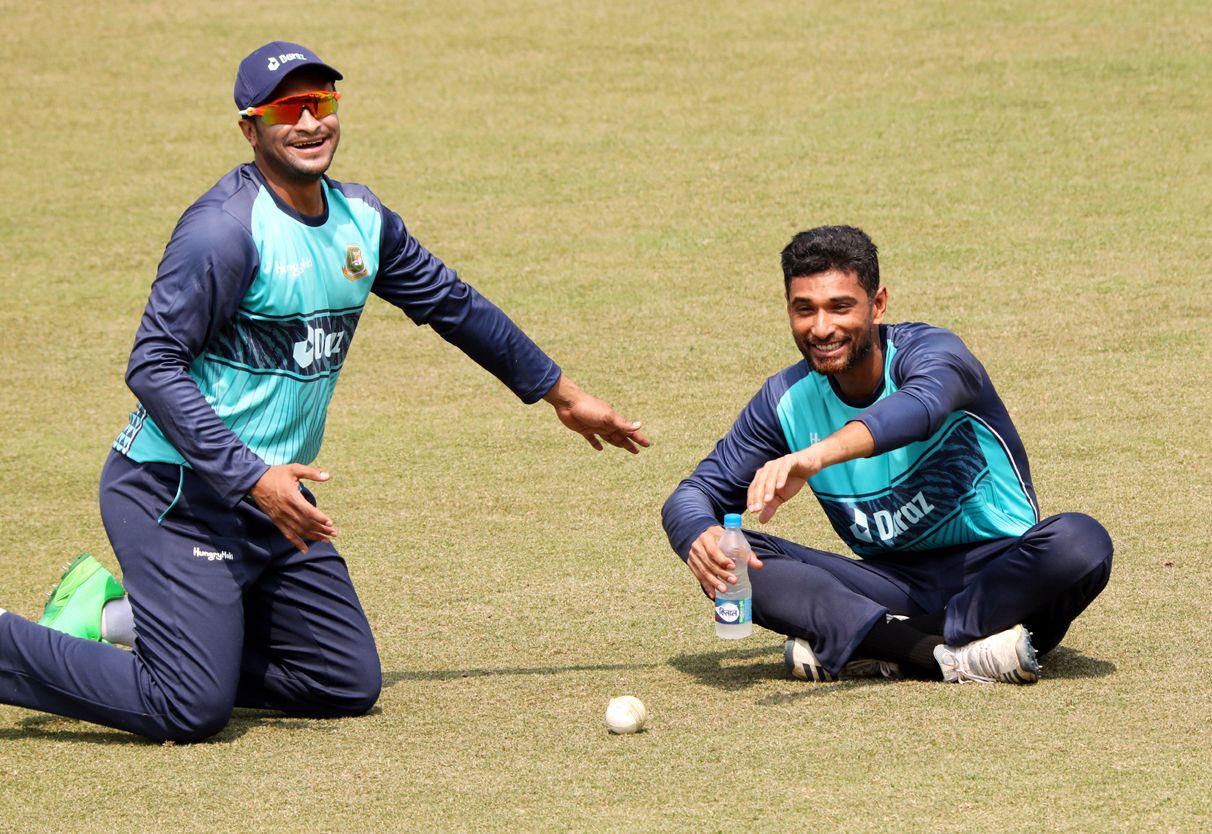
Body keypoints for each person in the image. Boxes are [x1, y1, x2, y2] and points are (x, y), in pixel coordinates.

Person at [0, 41, 649, 742]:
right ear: (250, 127)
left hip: (272, 498)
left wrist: (562, 394)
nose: (311, 122)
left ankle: (121, 619)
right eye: (289, 108)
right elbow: (152, 366)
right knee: (188, 708)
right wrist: (251, 478)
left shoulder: (360, 221)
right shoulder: (223, 232)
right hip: (175, 492)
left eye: (323, 104)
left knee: (341, 681)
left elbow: (454, 306)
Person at [661, 225, 1111, 684]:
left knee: (1080, 542)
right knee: (731, 554)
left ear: (877, 305)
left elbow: (919, 408)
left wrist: (814, 457)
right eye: (805, 310)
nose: (822, 328)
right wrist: (697, 534)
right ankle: (946, 656)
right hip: (891, 585)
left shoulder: (936, 353)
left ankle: (878, 642)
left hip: (1003, 576)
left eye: (840, 307)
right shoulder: (785, 400)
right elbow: (695, 493)